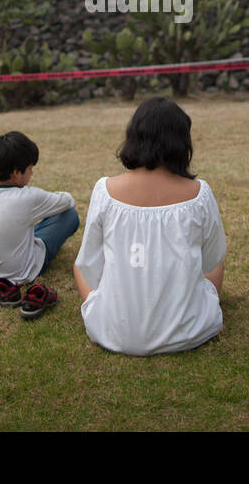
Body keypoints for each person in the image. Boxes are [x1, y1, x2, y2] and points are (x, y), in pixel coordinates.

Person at [73, 97, 227, 355]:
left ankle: (116, 314)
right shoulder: (199, 194)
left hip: (114, 332)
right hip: (186, 333)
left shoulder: (105, 190)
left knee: (80, 266)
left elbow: (89, 264)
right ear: (182, 143)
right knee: (217, 259)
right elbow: (211, 261)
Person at [0, 131, 79, 318]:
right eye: (29, 168)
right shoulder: (28, 197)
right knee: (69, 216)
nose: (32, 172)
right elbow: (68, 201)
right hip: (21, 273)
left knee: (17, 226)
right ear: (16, 172)